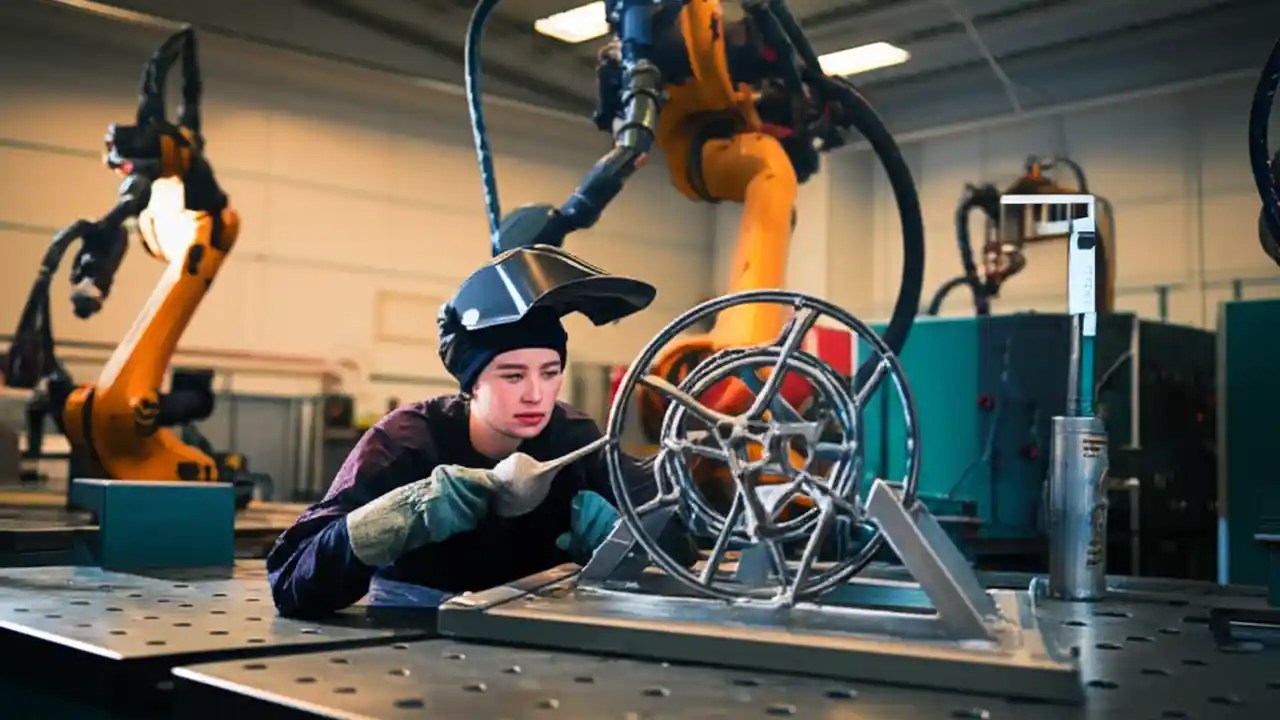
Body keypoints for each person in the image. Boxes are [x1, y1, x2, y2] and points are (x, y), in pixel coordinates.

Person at [267, 246, 688, 619]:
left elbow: (683, 549)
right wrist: (400, 518)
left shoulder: (574, 440)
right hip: (411, 638)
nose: (536, 395)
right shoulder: (406, 442)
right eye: (512, 375)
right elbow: (290, 582)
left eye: (550, 372)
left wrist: (626, 538)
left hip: (534, 638)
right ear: (471, 383)